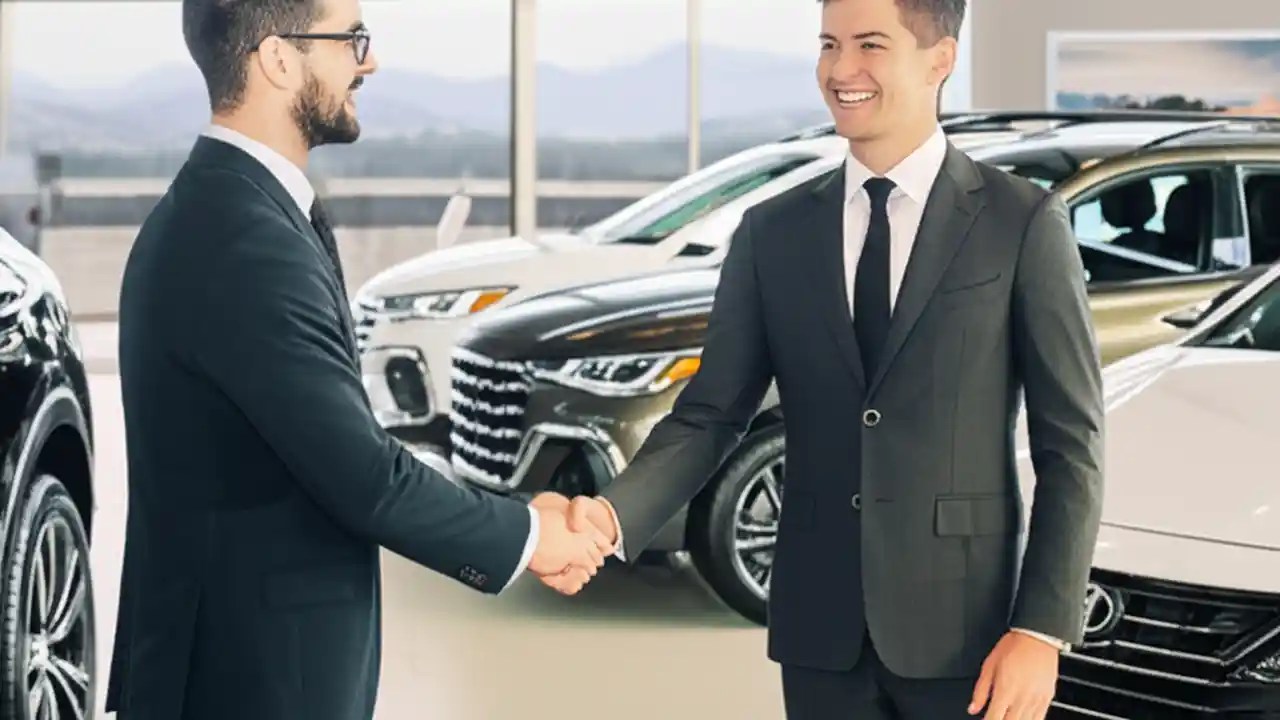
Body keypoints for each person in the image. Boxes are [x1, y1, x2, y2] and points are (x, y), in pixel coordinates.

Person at [552, 0, 1105, 717]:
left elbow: (1073, 445)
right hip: (820, 627)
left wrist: (1042, 629)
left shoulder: (1022, 221)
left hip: (973, 630)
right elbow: (711, 414)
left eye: (870, 45)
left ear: (940, 60)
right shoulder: (771, 233)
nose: (841, 70)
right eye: (828, 44)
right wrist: (609, 518)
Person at [106, 1, 610, 718]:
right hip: (248, 678)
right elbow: (365, 479)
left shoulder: (235, 211)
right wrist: (532, 536)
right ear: (279, 59)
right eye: (351, 40)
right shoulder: (242, 240)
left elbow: (323, 442)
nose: (368, 61)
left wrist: (521, 513)